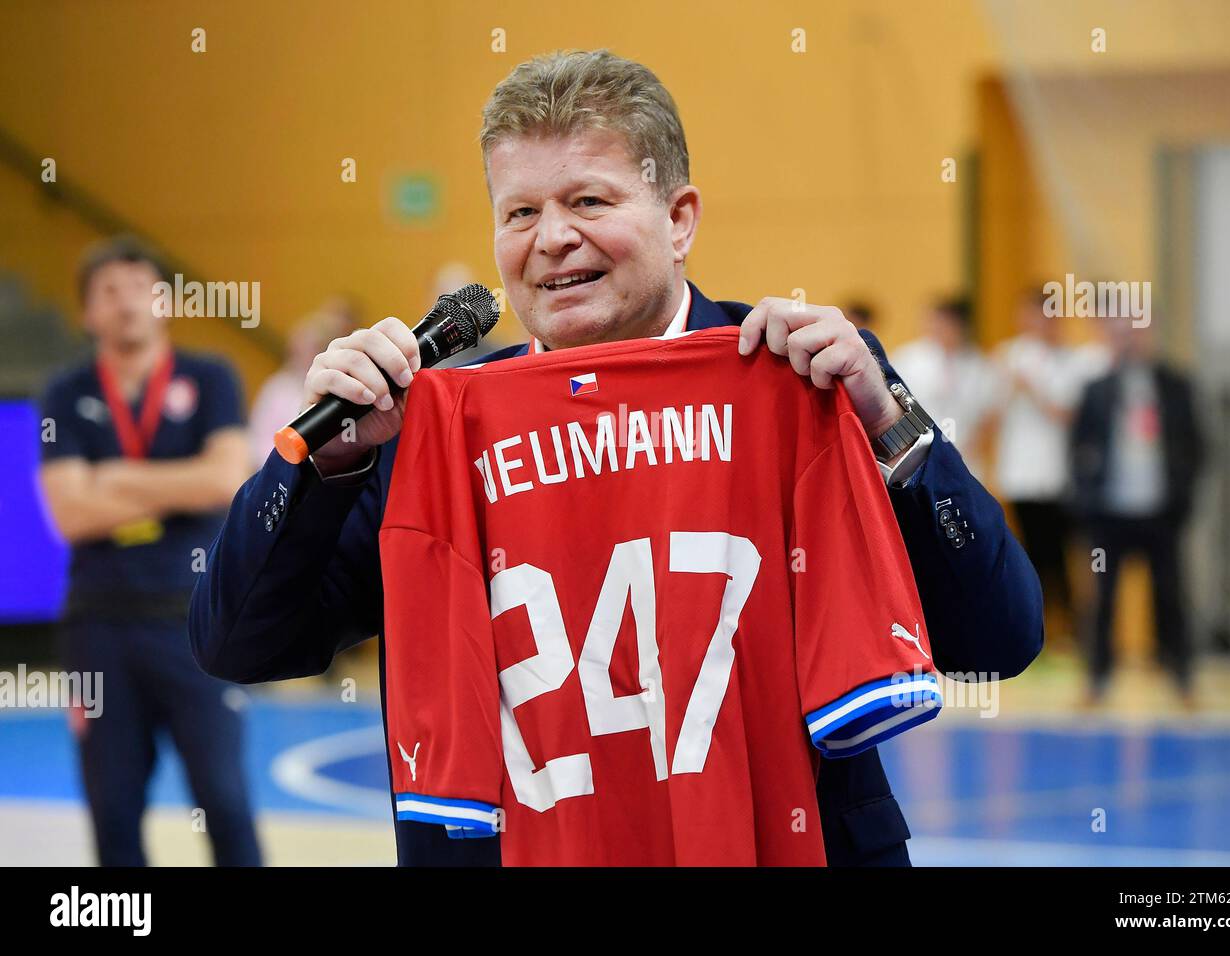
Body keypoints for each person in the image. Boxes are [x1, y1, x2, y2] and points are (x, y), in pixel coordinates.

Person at [191, 49, 1043, 866]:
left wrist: (884, 424)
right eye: (520, 213)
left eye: (589, 202)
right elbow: (238, 644)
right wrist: (322, 466)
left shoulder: (799, 378)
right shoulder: (431, 429)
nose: (552, 238)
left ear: (679, 220)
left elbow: (997, 636)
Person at [38, 236, 261, 866]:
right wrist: (175, 483)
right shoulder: (65, 392)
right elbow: (71, 513)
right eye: (109, 291)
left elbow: (224, 479)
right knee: (112, 809)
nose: (128, 302)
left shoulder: (210, 376)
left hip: (199, 624)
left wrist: (114, 479)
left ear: (165, 302)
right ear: (88, 313)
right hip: (98, 628)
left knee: (224, 797)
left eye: (141, 287)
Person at [1068, 314, 1204, 708]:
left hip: (1161, 514)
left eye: (1138, 333)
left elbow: (1195, 446)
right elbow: (1078, 448)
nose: (1131, 342)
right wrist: (1086, 499)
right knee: (1102, 599)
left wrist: (1182, 497)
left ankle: (1181, 676)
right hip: (1109, 516)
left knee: (1171, 596)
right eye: (1122, 335)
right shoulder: (1098, 389)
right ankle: (1097, 679)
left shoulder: (1174, 386)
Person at [992, 287, 1109, 649]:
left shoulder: (1071, 361)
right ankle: (1034, 638)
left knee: (1065, 561)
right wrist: (1011, 389)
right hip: (1020, 477)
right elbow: (990, 417)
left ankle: (1073, 637)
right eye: (1036, 314)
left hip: (1061, 478)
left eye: (1050, 314)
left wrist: (1035, 391)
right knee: (1030, 561)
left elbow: (1072, 417)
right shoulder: (1007, 356)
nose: (1043, 322)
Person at [891, 296, 1000, 478]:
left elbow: (989, 416)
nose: (938, 328)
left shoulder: (979, 365)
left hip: (965, 457)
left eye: (946, 323)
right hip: (916, 456)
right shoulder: (908, 359)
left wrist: (969, 450)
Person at [247, 300, 356, 466]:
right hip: (269, 466)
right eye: (299, 347)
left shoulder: (333, 390)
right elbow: (256, 436)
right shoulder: (279, 385)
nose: (300, 353)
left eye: (310, 347)